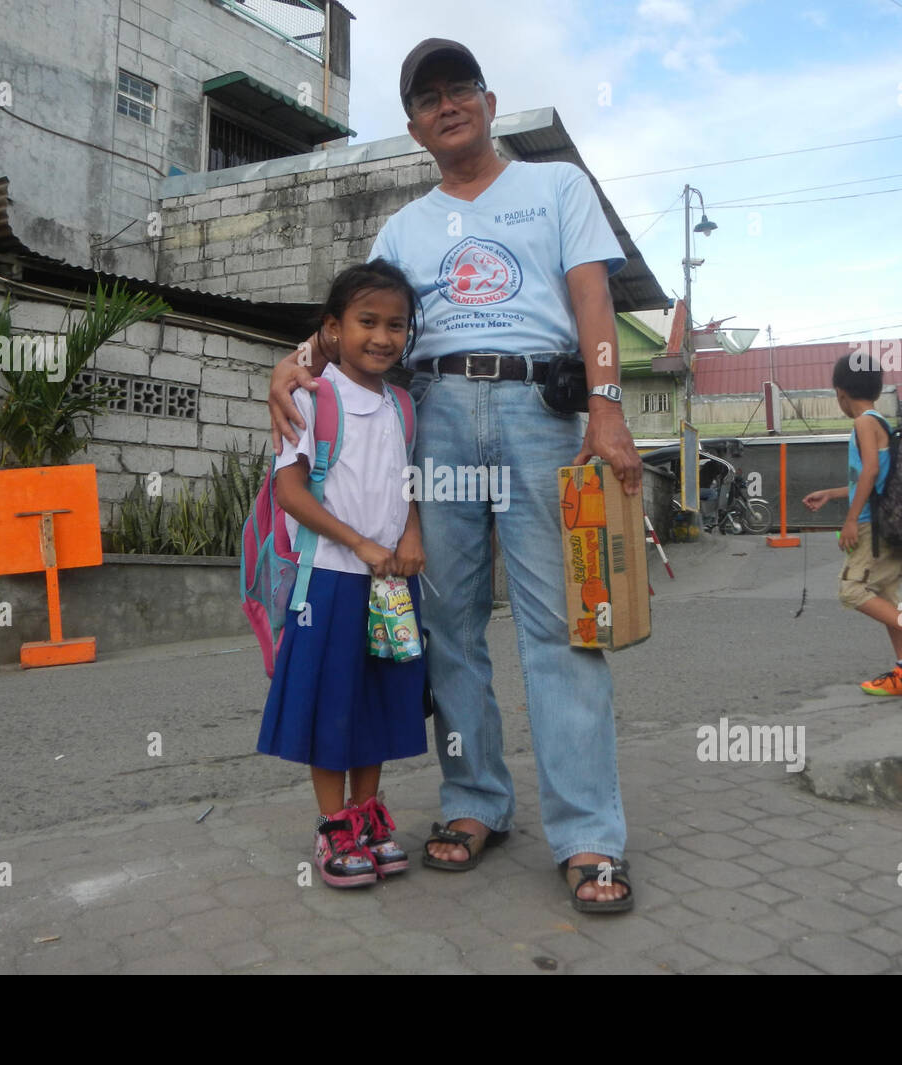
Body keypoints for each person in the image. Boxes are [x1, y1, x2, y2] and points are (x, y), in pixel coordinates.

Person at [268, 39, 641, 913]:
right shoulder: (404, 227)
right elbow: (362, 322)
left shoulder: (556, 189)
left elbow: (593, 298)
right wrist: (291, 362)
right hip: (433, 420)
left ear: (487, 97)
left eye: (461, 88)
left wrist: (608, 403)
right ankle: (476, 801)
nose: (449, 105)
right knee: (448, 627)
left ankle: (589, 833)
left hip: (539, 413)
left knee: (564, 625)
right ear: (413, 126)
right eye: (429, 97)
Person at [256, 260, 427, 889]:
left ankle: (369, 817)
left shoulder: (402, 406)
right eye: (367, 322)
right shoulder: (310, 397)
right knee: (331, 704)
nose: (382, 337)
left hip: (389, 585)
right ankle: (333, 827)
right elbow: (291, 492)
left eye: (396, 326)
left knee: (376, 701)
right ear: (332, 328)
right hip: (327, 580)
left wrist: (410, 533)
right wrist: (359, 543)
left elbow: (403, 483)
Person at [802, 354, 902, 697]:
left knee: (852, 590)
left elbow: (870, 473)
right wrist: (832, 493)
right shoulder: (880, 422)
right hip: (889, 523)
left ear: (840, 392)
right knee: (887, 597)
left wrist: (848, 521)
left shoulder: (863, 424)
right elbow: (872, 481)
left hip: (872, 529)